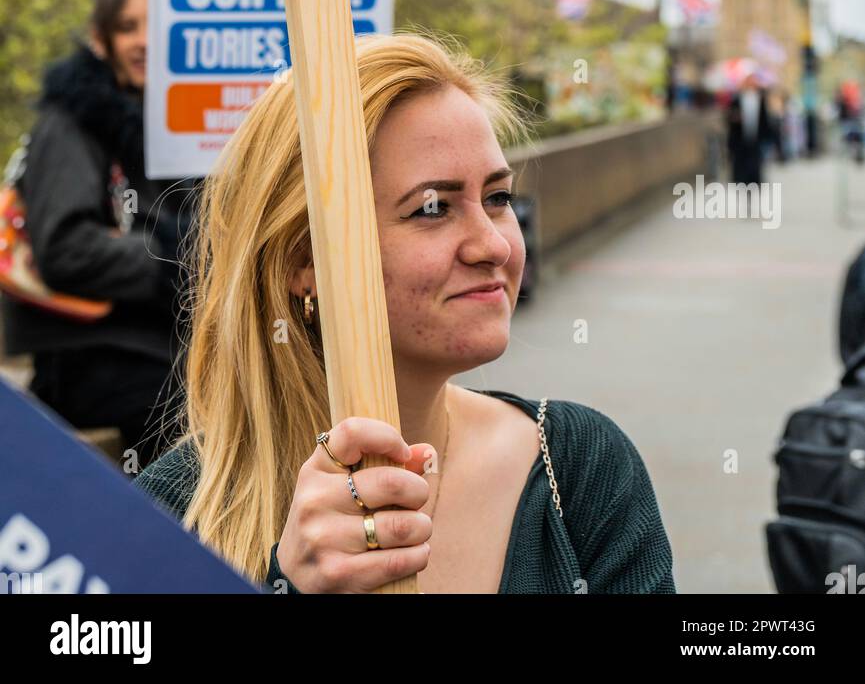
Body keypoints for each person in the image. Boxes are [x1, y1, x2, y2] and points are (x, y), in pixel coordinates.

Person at [134, 32, 675, 594]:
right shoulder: (172, 517)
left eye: (498, 198)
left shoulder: (578, 467)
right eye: (433, 208)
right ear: (304, 260)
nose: (493, 245)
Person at [0, 0, 193, 469]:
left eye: (157, 26)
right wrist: (177, 257)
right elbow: (67, 250)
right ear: (101, 40)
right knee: (191, 428)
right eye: (128, 28)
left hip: (153, 354)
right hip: (88, 360)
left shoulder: (175, 128)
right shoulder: (71, 123)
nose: (145, 42)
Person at [725, 72, 774, 187]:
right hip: (740, 139)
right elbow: (729, 118)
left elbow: (765, 120)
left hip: (756, 139)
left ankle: (754, 185)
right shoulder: (736, 100)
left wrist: (767, 137)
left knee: (755, 166)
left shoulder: (761, 99)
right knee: (742, 167)